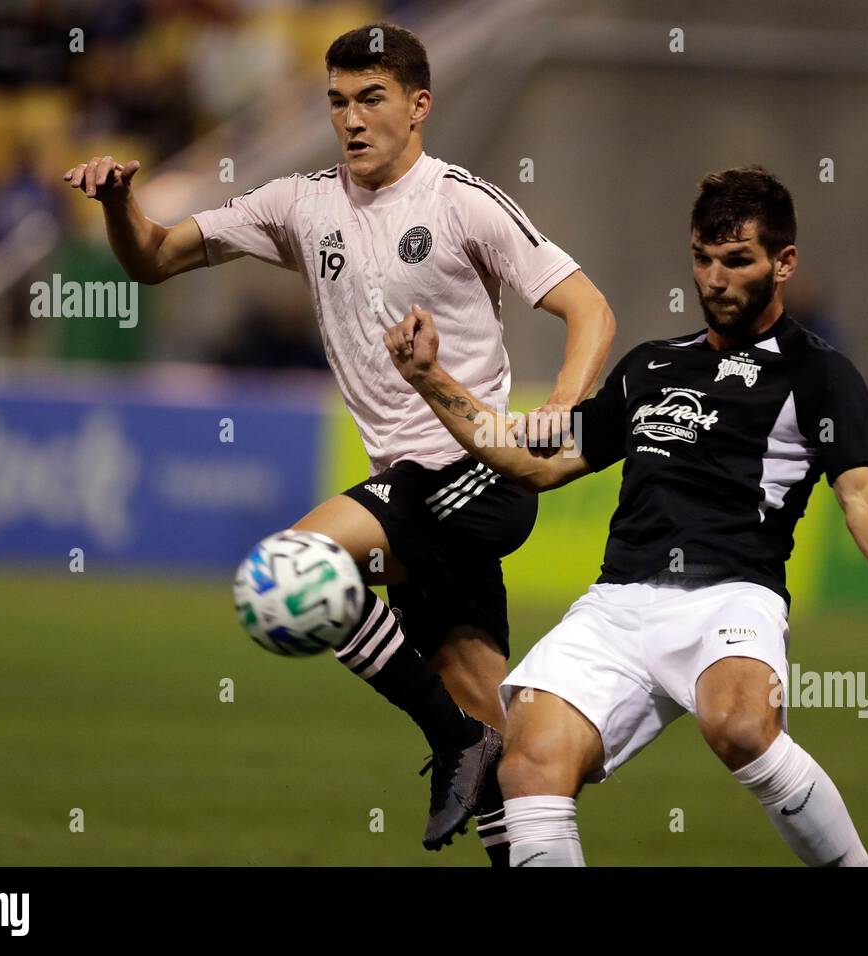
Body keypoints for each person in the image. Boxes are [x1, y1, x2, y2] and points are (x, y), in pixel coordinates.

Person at [62, 22, 615, 862]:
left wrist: (559, 416)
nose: (351, 119)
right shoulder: (301, 205)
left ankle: (447, 738)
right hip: (410, 497)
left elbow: (590, 308)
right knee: (506, 749)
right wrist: (116, 207)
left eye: (371, 99)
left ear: (419, 105)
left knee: (290, 571)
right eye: (336, 102)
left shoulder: (461, 201)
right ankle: (477, 757)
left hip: (480, 476)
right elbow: (156, 258)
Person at [387, 165, 868, 866]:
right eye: (702, 258)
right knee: (526, 764)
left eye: (737, 261)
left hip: (731, 595)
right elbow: (534, 465)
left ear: (783, 264)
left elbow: (863, 493)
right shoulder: (650, 367)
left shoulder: (818, 376)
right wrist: (431, 380)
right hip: (618, 604)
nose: (715, 279)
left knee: (740, 725)